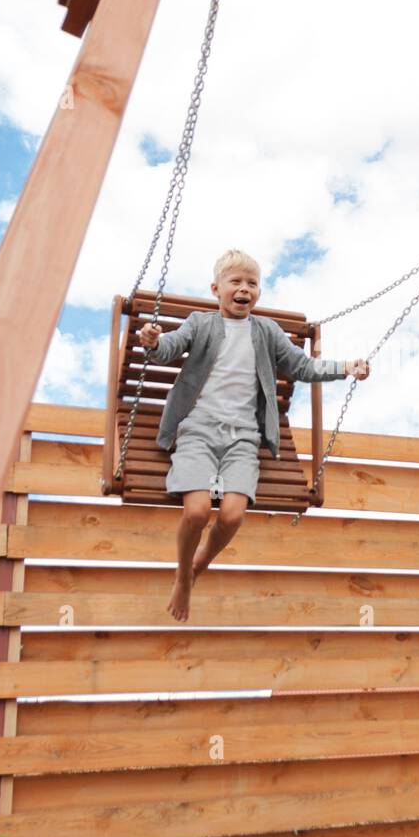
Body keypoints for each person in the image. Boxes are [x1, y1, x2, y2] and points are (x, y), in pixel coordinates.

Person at [138, 248, 370, 621]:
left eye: (252, 283)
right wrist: (152, 342)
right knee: (196, 510)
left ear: (258, 292)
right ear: (216, 289)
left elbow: (301, 366)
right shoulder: (200, 324)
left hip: (243, 436)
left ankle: (199, 567)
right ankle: (184, 576)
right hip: (198, 429)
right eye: (235, 282)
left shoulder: (266, 332)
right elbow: (169, 348)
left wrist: (346, 367)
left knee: (231, 516)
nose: (244, 289)